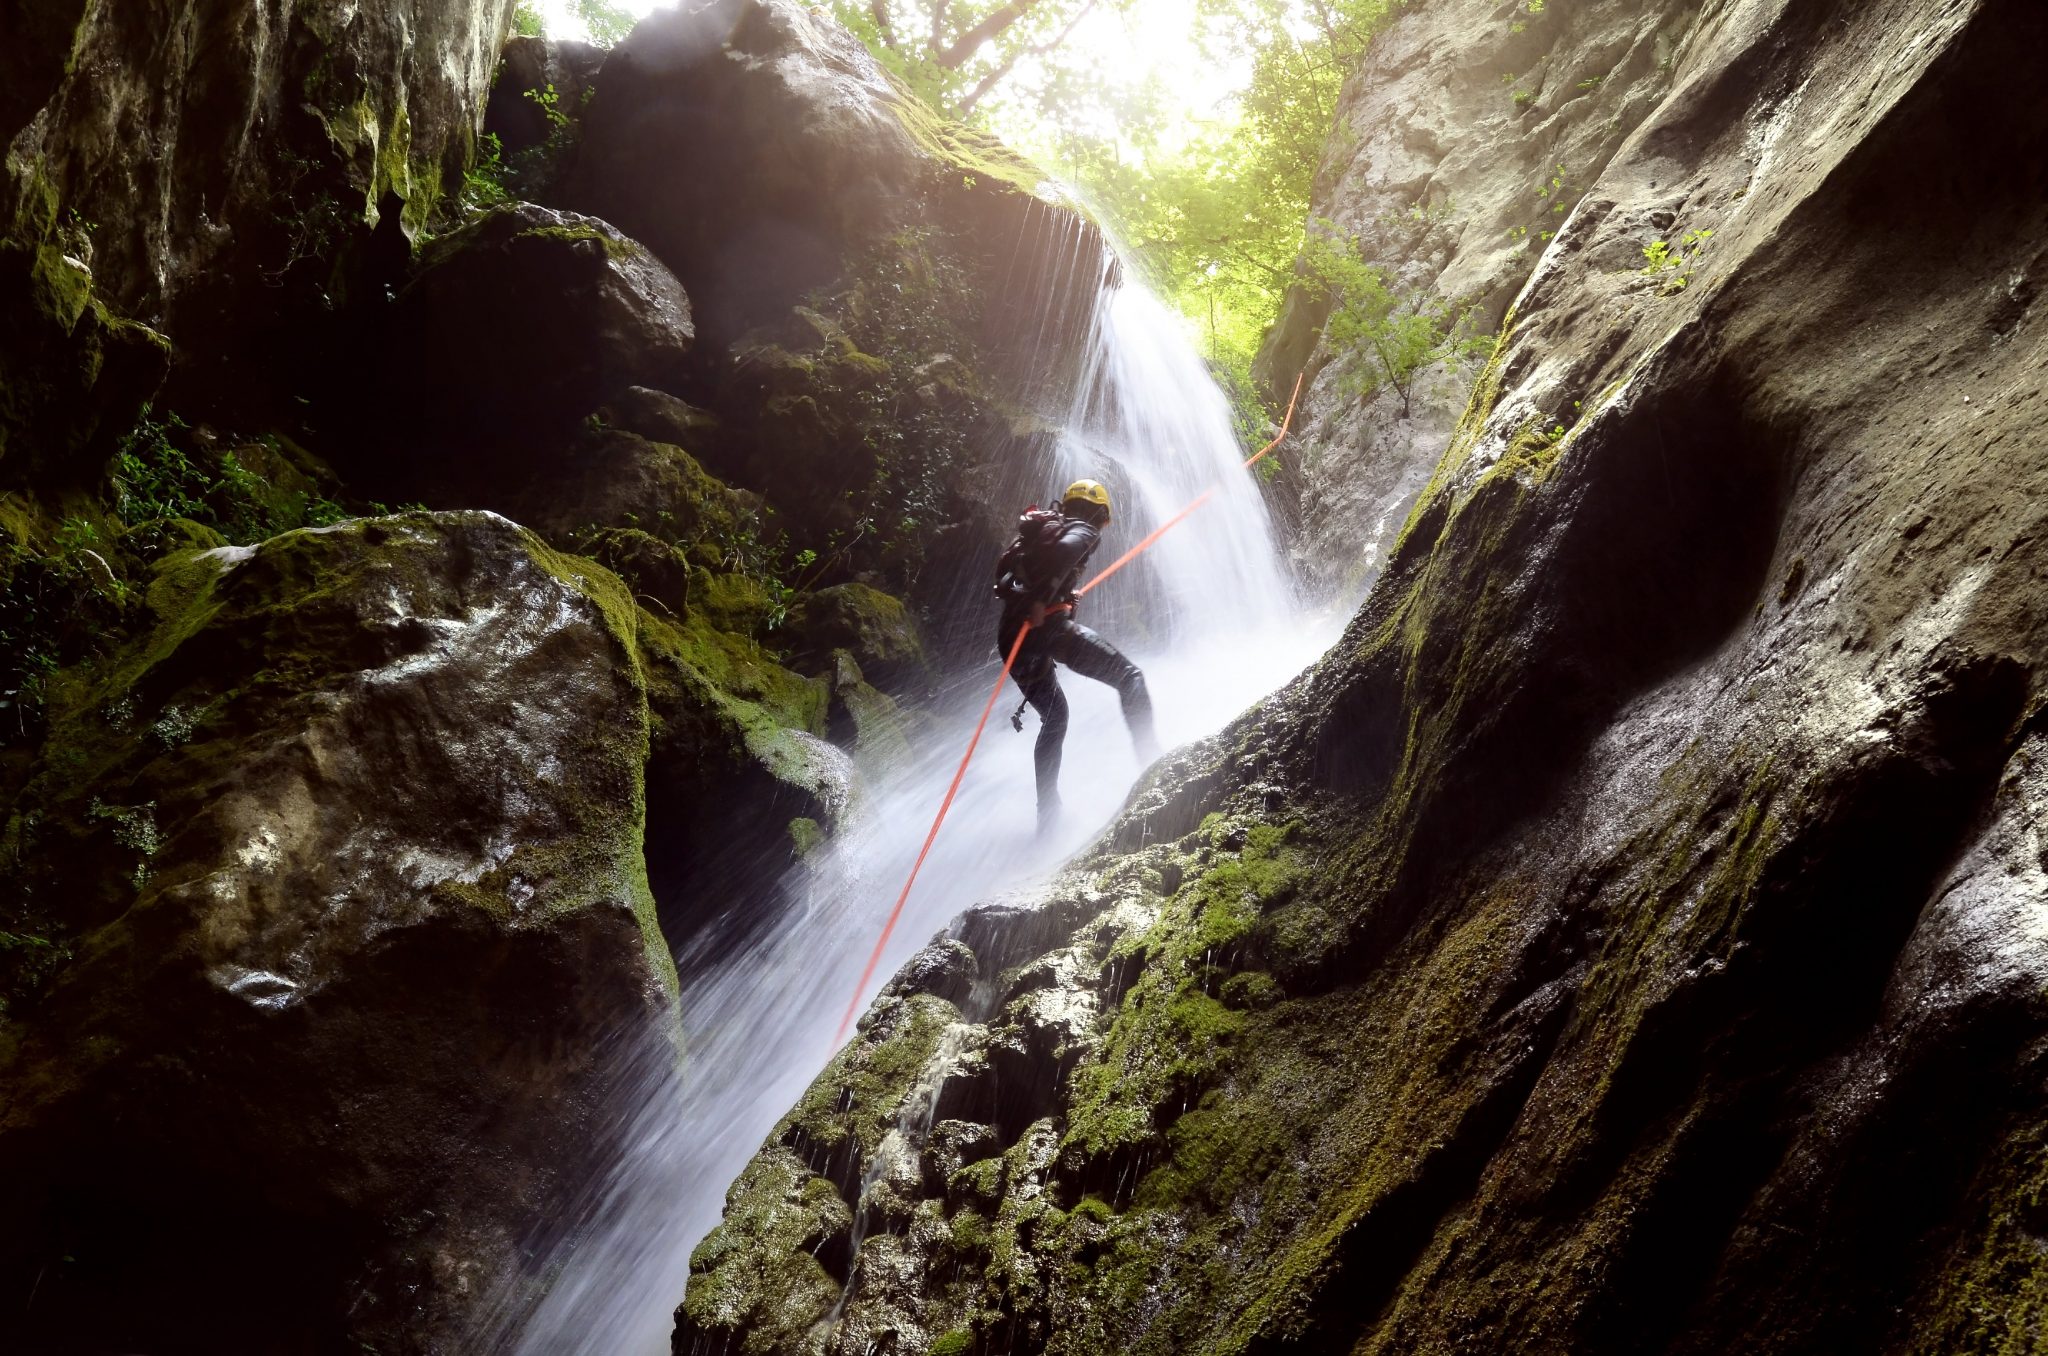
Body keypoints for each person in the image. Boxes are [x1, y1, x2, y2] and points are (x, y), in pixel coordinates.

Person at [993, 478, 1159, 827]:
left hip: (1013, 641)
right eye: (1103, 520)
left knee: (1055, 718)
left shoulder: (1034, 536)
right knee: (1131, 678)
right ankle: (1156, 769)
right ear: (1099, 512)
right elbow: (1066, 552)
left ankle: (1048, 813)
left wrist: (1061, 596)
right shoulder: (1082, 530)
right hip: (1047, 632)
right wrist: (1043, 599)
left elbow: (1007, 582)